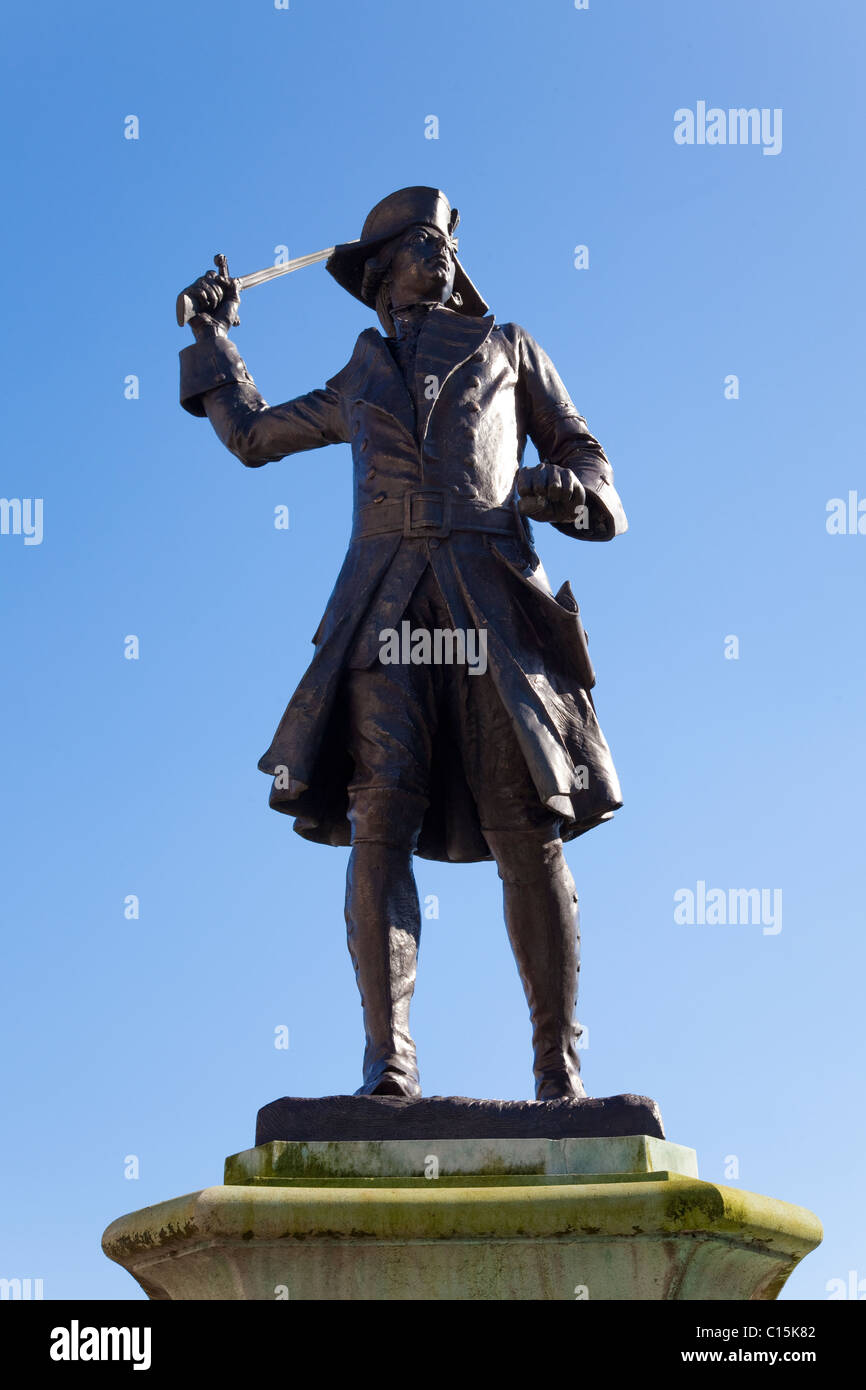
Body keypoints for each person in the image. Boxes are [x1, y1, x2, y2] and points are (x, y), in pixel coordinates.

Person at [178, 187, 627, 1101]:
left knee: (527, 827)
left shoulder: (509, 348)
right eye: (426, 243)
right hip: (387, 607)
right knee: (380, 816)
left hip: (490, 600)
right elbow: (255, 437)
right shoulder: (360, 376)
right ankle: (390, 1065)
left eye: (450, 242)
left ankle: (558, 1071)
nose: (447, 255)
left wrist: (565, 493)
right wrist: (213, 340)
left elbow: (592, 464)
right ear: (380, 274)